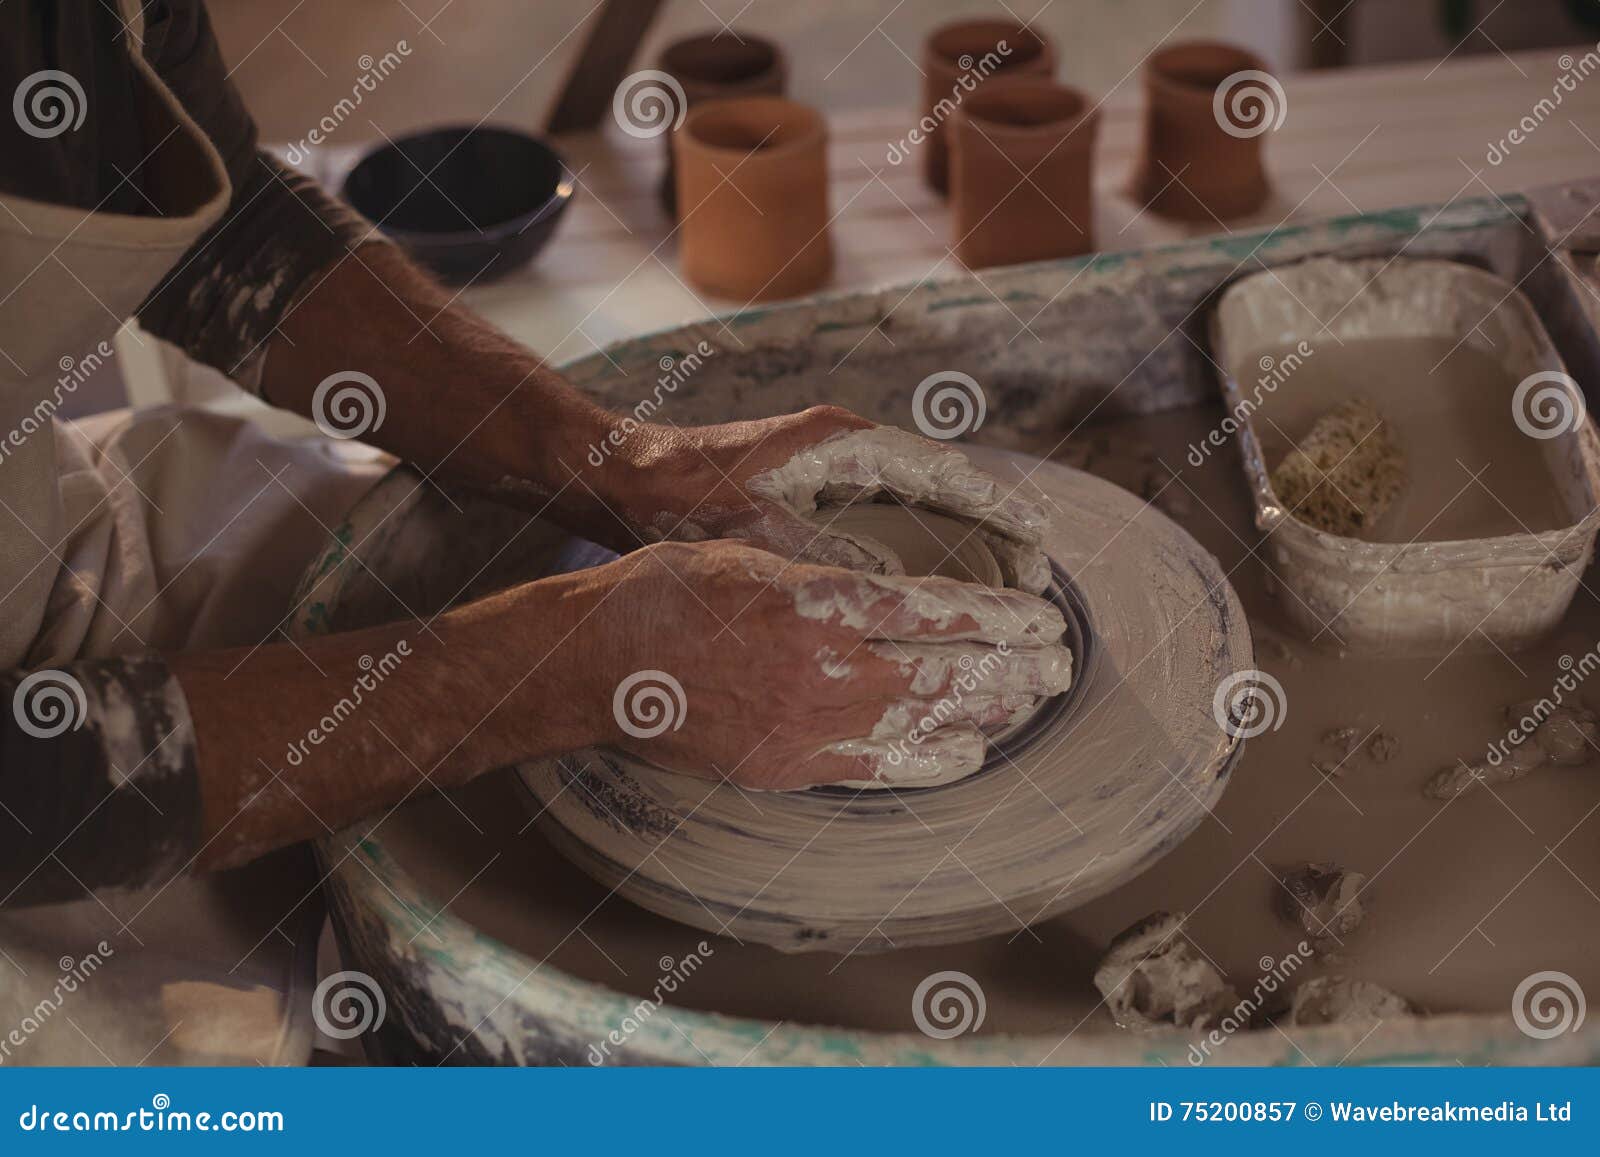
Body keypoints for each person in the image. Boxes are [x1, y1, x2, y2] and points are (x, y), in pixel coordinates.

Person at [0, 0, 1066, 918]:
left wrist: (614, 462)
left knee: (357, 550)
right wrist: (575, 665)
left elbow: (214, 227)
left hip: (42, 530)